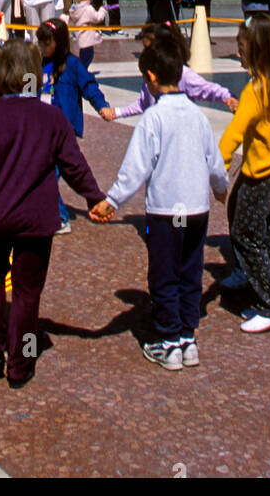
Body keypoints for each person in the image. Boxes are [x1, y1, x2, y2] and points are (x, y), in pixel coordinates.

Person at [0, 39, 107, 387]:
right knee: (28, 292)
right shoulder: (53, 118)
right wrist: (95, 199)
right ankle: (21, 360)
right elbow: (75, 167)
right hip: (37, 220)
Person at [91, 37, 229, 370]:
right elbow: (215, 161)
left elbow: (135, 168)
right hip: (196, 211)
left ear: (151, 77)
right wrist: (221, 188)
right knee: (190, 271)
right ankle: (187, 337)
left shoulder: (154, 118)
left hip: (167, 212)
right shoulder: (197, 116)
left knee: (165, 274)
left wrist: (111, 202)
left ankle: (169, 343)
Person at [219, 14, 270, 334]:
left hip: (263, 174)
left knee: (246, 235)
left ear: (257, 51)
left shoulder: (255, 90)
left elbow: (232, 137)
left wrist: (218, 171)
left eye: (241, 48)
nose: (238, 53)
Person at [36, 18, 109, 234]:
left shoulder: (73, 64)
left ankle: (60, 217)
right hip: (44, 129)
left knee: (53, 172)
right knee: (66, 170)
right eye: (41, 43)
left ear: (58, 42)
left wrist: (102, 106)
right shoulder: (37, 65)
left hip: (65, 128)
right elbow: (28, 92)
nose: (43, 47)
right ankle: (95, 200)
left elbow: (89, 86)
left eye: (47, 43)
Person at [100, 22, 239, 120]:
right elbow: (144, 103)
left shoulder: (182, 74)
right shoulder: (150, 77)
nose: (145, 52)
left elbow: (207, 89)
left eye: (148, 48)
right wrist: (116, 112)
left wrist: (227, 97)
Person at [65, 0, 106, 69]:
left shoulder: (74, 10)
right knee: (88, 57)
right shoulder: (88, 9)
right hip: (88, 37)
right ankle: (81, 72)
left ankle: (82, 71)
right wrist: (102, 10)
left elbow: (70, 21)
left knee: (84, 55)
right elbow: (97, 18)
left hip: (81, 36)